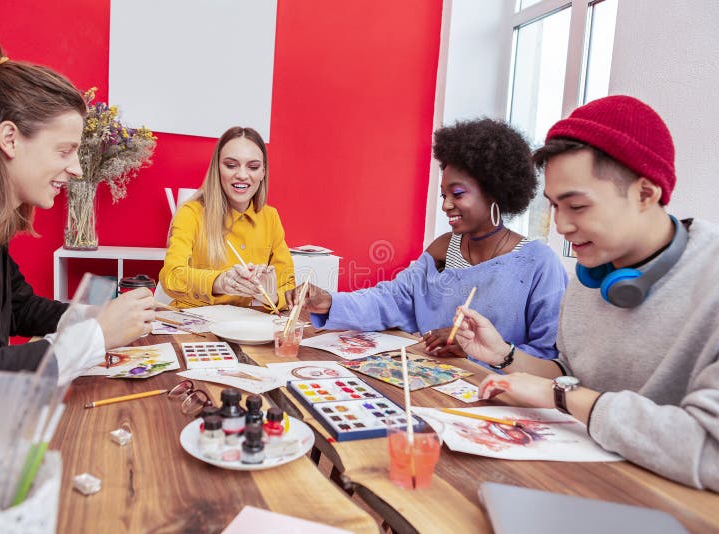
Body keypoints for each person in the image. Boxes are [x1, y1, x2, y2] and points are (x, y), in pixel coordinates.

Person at [454, 95, 719, 491]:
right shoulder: (590, 274)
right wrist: (505, 356)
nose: (561, 225)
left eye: (576, 206)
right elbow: (570, 376)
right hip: (580, 480)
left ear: (646, 193)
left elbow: (710, 451)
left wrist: (563, 399)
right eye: (554, 207)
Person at [0, 28, 155, 440]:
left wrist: (94, 317)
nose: (78, 169)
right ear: (10, 138)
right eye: (64, 151)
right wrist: (94, 338)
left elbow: (17, 307)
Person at [288, 119, 567, 361]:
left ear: (495, 191)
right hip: (428, 388)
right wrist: (330, 302)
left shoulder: (538, 264)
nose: (446, 206)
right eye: (444, 195)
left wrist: (476, 350)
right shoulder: (444, 248)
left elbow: (548, 357)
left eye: (457, 194)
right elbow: (392, 298)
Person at [160, 126, 295, 310]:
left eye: (253, 167)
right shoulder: (190, 213)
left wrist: (270, 295)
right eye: (231, 165)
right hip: (193, 321)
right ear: (217, 168)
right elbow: (172, 277)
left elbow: (288, 286)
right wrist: (218, 281)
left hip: (242, 326)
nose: (241, 175)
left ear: (263, 172)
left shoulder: (270, 217)